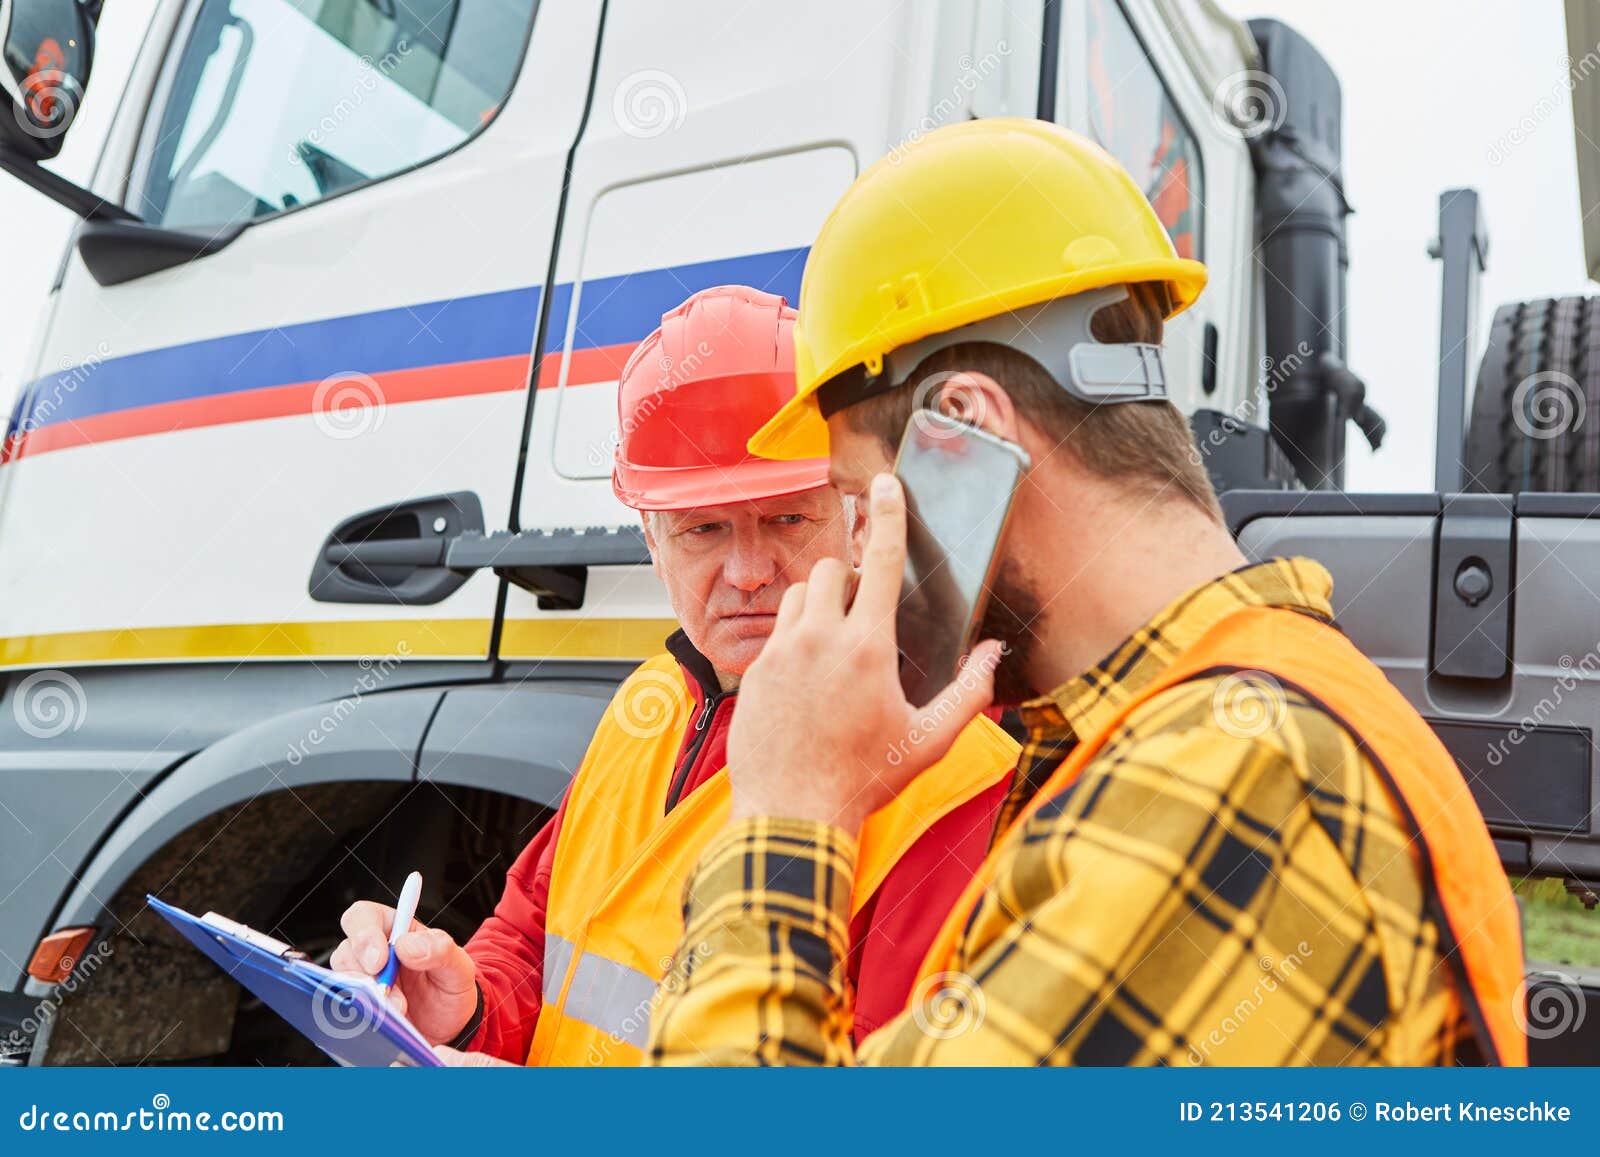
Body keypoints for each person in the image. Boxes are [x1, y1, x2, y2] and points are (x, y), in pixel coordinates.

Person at [646, 121, 1527, 1066]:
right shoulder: (1194, 725)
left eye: (863, 503)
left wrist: (789, 813)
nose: (858, 559)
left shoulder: (1238, 776)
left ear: (964, 431)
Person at [328, 284, 1018, 1066]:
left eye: (788, 518)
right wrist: (466, 1006)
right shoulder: (649, 702)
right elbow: (531, 938)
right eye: (704, 529)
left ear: (857, 523)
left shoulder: (947, 769)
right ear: (652, 543)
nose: (749, 571)